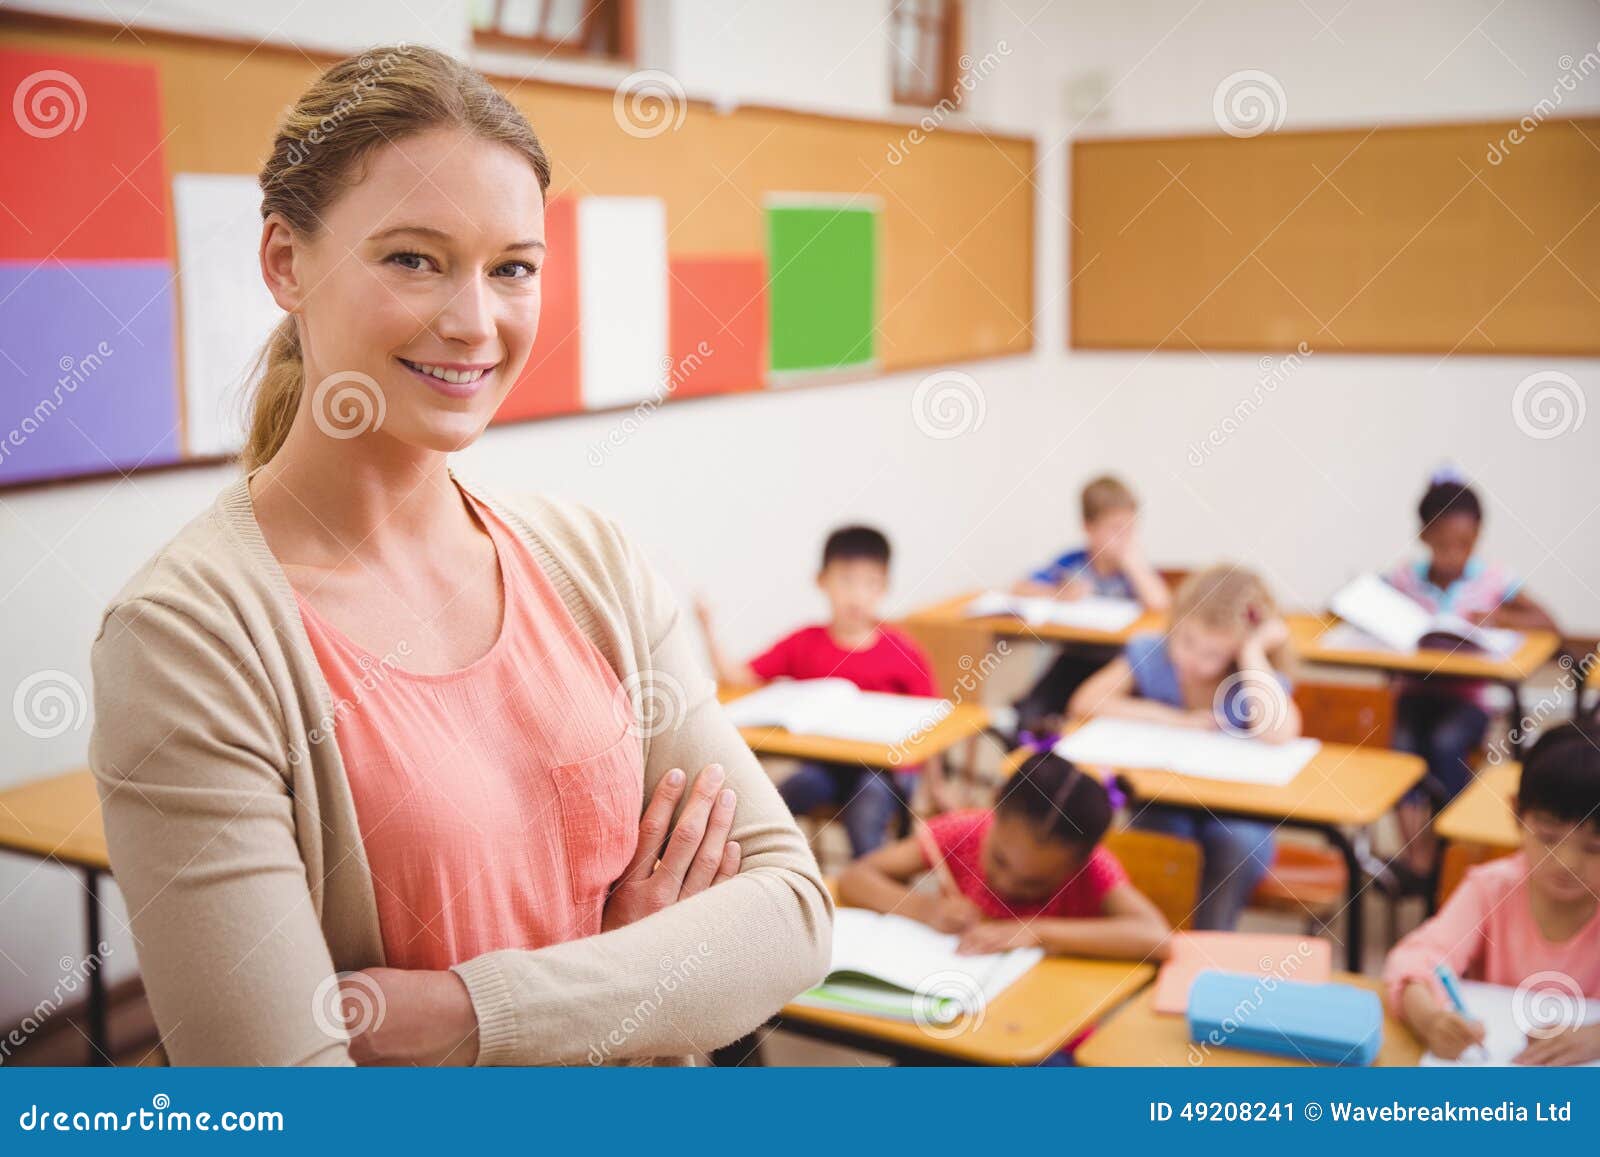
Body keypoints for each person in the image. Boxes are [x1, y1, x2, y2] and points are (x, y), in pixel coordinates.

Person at [88, 44, 829, 1067]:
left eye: (511, 267)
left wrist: (472, 1012)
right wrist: (643, 977)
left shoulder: (590, 561)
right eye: (412, 258)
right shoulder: (190, 635)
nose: (474, 322)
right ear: (283, 262)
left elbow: (789, 911)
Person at [1069, 565, 1299, 930]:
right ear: (1175, 623)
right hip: (1163, 802)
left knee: (1234, 845)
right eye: (1187, 642)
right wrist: (1173, 719)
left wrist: (1253, 651)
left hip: (1237, 813)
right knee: (1160, 842)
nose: (1193, 659)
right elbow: (1086, 701)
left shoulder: (1251, 678)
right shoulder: (1152, 653)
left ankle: (1205, 952)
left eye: (1212, 653)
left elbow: (1279, 733)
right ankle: (1156, 943)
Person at [1384, 720, 1600, 1065]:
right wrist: (1429, 1019)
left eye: (1594, 848)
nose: (1567, 862)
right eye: (1547, 837)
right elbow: (1415, 959)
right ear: (1517, 814)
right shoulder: (1492, 888)